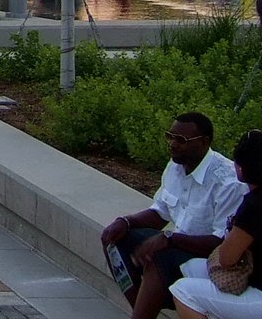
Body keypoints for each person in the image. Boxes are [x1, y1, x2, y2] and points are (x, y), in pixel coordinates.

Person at [100, 111, 247, 319]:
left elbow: (221, 243)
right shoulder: (175, 166)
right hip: (177, 246)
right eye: (169, 136)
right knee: (115, 238)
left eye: (181, 140)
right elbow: (160, 213)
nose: (172, 144)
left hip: (209, 258)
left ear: (204, 142)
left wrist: (170, 239)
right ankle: (140, 311)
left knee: (161, 256)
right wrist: (125, 221)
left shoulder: (227, 182)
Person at [170, 128, 262, 319]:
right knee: (192, 267)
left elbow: (227, 258)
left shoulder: (255, 204)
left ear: (242, 167)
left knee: (183, 291)